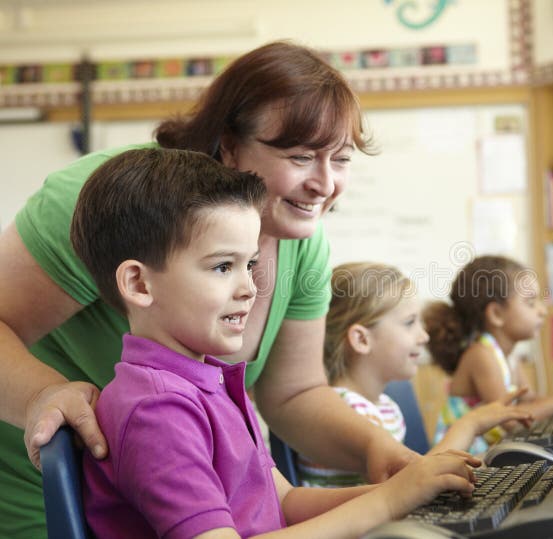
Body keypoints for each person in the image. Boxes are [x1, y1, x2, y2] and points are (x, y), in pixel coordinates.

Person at [0, 41, 416, 537]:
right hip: (40, 497)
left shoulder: (299, 243)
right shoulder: (116, 199)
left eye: (342, 159)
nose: (325, 184)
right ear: (229, 144)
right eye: (301, 156)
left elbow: (294, 395)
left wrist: (383, 454)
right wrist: (42, 395)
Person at [71, 148, 479, 539]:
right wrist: (388, 502)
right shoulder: (157, 410)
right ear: (139, 284)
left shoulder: (210, 383)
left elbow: (283, 502)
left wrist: (409, 491)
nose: (249, 287)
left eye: (249, 264)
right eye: (222, 266)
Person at [297, 262, 532, 486]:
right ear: (361, 339)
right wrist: (470, 424)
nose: (424, 336)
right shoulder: (347, 411)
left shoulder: (383, 406)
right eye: (410, 323)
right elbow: (406, 487)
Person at [424, 255, 553, 454]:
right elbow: (510, 420)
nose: (543, 310)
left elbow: (529, 401)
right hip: (459, 457)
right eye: (530, 303)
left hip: (486, 453)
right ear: (496, 314)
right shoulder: (481, 355)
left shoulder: (510, 357)